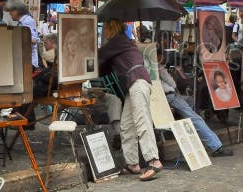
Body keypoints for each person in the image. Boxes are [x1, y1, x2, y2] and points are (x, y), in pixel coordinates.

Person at [98, 18, 163, 181]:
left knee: (142, 121)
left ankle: (154, 161)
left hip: (137, 82)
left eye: (105, 28)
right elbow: (104, 66)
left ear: (110, 28)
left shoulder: (118, 41)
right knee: (127, 125)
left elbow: (99, 56)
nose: (104, 32)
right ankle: (132, 163)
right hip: (133, 85)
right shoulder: (123, 43)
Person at [156, 51, 232, 156]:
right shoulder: (157, 66)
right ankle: (216, 146)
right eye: (160, 55)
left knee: (190, 101)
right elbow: (172, 83)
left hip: (164, 96)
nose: (162, 57)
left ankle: (188, 119)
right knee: (195, 117)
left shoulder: (149, 66)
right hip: (168, 96)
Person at [5, 0, 39, 68]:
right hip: (25, 60)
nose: (10, 14)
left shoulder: (27, 21)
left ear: (16, 11)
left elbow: (34, 40)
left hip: (28, 62)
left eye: (10, 11)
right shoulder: (23, 21)